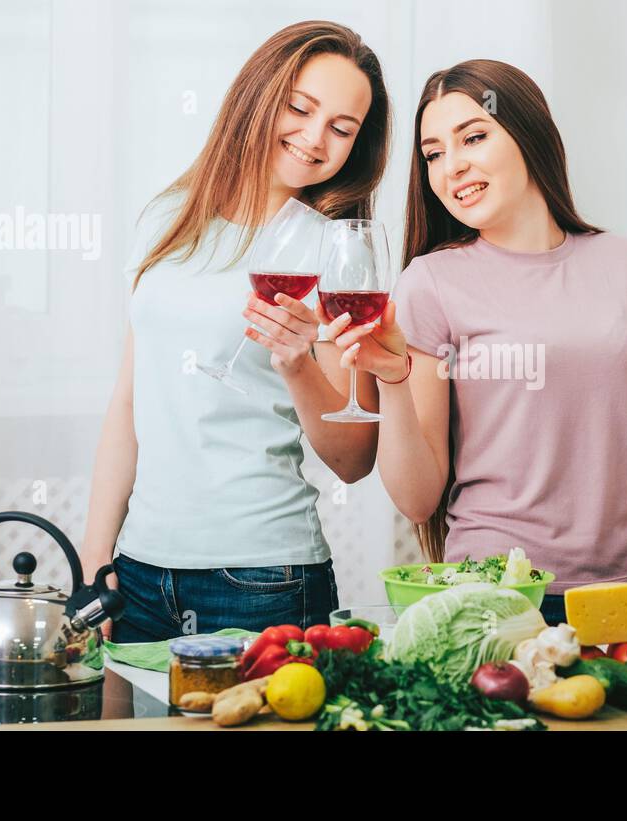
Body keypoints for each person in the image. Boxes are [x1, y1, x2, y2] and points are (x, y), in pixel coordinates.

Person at [327, 59, 627, 626]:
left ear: (529, 131)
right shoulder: (432, 283)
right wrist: (392, 379)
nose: (452, 167)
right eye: (434, 153)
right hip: (499, 600)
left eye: (473, 137)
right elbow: (419, 500)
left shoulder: (626, 265)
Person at [79, 21, 391, 641]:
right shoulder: (169, 218)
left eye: (341, 128)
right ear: (257, 97)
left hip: (262, 578)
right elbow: (129, 402)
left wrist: (298, 362)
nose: (313, 137)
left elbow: (353, 461)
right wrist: (94, 556)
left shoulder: (336, 250)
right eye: (299, 108)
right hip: (139, 572)